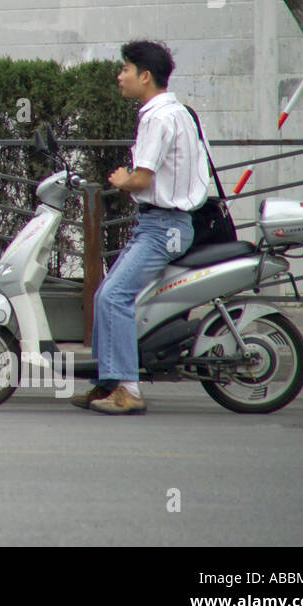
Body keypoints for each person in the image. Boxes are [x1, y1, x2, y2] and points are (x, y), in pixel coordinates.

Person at [72, 40, 210, 415]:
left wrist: (121, 179)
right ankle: (108, 383)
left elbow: (142, 179)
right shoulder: (179, 112)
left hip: (161, 226)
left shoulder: (156, 117)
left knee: (114, 296)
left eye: (125, 69)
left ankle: (128, 391)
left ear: (145, 76)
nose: (120, 77)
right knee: (105, 294)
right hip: (163, 224)